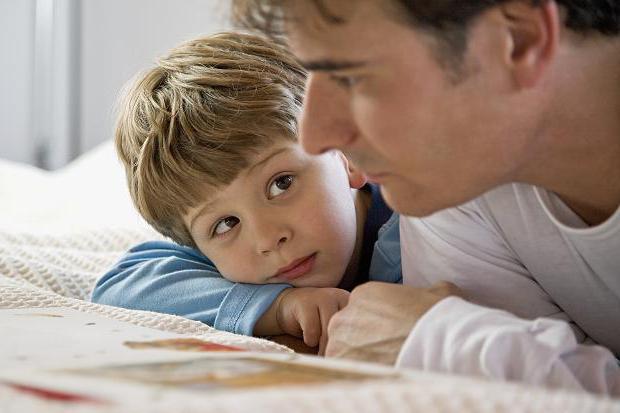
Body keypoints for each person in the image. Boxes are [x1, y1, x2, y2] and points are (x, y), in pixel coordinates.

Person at [231, 0, 620, 395]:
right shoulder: (454, 183)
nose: (314, 136)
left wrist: (441, 344)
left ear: (518, 40)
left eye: (351, 77)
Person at [91, 32, 401, 355]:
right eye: (226, 223)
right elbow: (118, 289)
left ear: (347, 153)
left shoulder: (418, 231)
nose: (267, 238)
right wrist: (277, 308)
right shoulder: (226, 261)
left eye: (281, 183)